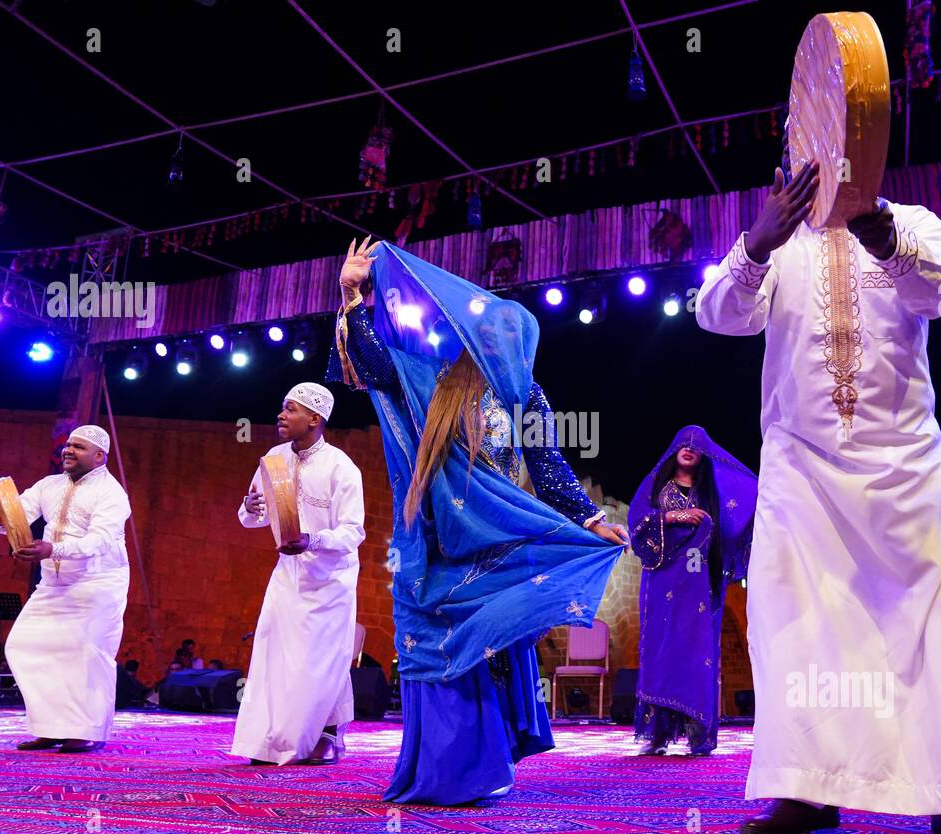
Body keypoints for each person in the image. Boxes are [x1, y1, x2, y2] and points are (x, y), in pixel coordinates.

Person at [696, 152, 941, 834]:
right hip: (801, 473)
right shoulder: (777, 244)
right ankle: (807, 789)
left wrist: (882, 234)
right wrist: (755, 243)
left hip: (904, 468)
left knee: (928, 622)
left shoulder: (910, 221)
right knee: (797, 625)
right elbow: (716, 314)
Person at [326, 237, 627, 804]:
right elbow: (372, 369)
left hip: (499, 542)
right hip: (437, 543)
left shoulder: (526, 399)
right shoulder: (436, 381)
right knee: (435, 645)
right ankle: (442, 772)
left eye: (512, 338)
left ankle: (484, 766)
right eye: (491, 334)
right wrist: (352, 298)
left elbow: (548, 465)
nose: (500, 343)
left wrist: (588, 520)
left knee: (486, 650)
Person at [231, 383, 365, 767]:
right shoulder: (273, 459)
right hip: (288, 574)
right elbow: (251, 519)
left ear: (315, 419)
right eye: (282, 408)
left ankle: (326, 734)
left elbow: (353, 532)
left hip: (330, 579)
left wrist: (312, 540)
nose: (281, 416)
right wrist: (250, 507)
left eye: (290, 410)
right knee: (274, 652)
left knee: (322, 659)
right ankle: (272, 738)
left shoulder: (341, 467)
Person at [0, 424, 131, 754]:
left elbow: (99, 541)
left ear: (99, 456)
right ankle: (49, 727)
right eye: (68, 445)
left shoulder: (112, 494)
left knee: (88, 654)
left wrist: (52, 549)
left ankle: (85, 730)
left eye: (78, 446)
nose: (68, 450)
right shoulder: (49, 485)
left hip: (97, 582)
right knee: (25, 645)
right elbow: (20, 513)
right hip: (53, 583)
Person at [628, 426, 756, 756]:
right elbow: (636, 519)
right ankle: (658, 734)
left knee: (696, 652)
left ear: (704, 455)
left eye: (696, 446)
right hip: (661, 580)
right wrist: (673, 516)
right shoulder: (658, 484)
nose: (688, 449)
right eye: (683, 443)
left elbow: (733, 525)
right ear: (674, 450)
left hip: (698, 582)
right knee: (661, 648)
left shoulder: (709, 492)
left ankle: (698, 734)